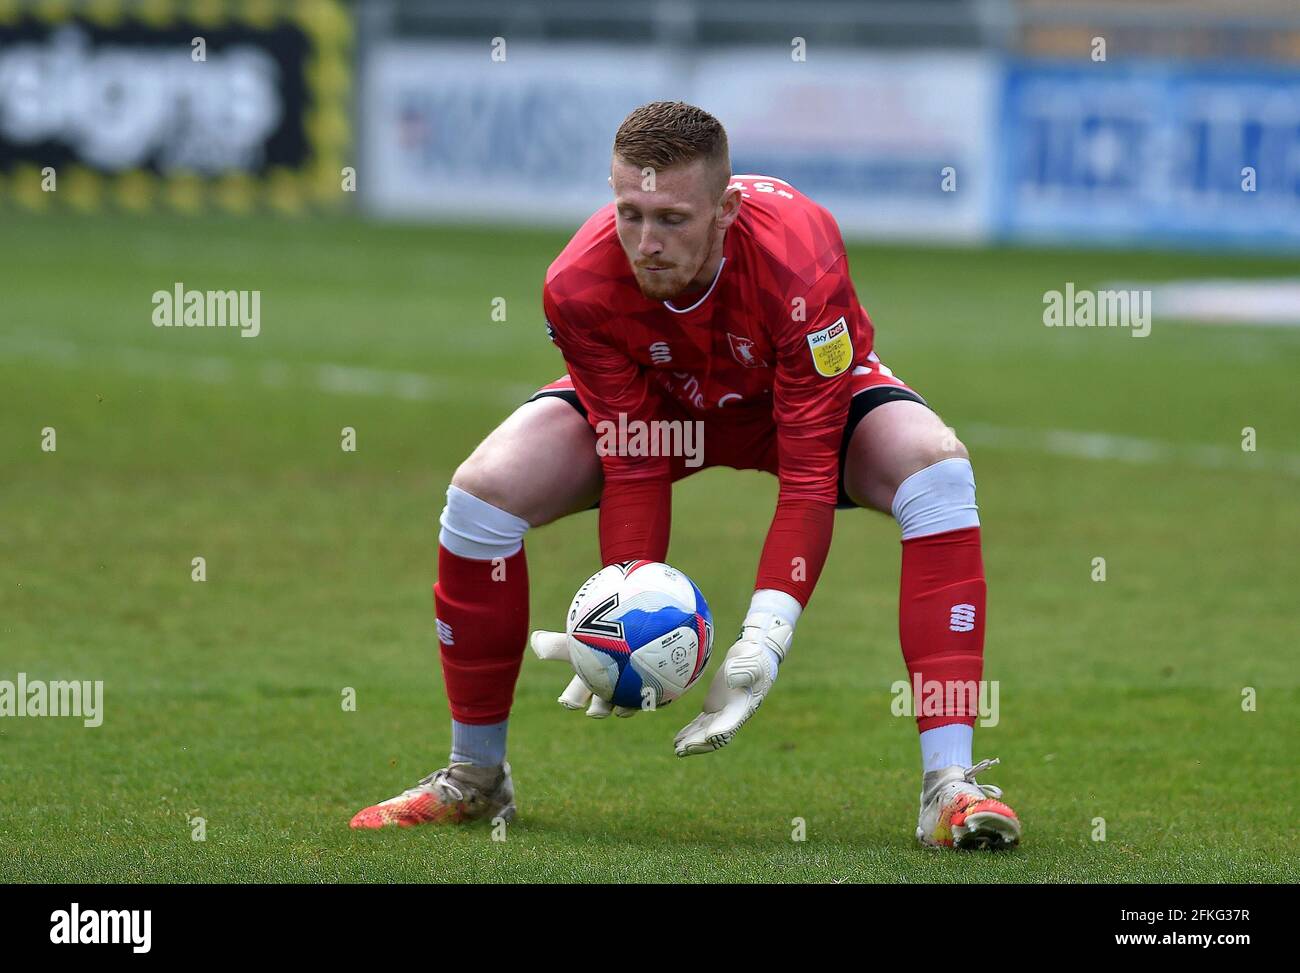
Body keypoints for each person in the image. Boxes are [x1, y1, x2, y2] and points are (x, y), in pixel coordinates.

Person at [350, 101, 1020, 850]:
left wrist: (764, 639)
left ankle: (949, 788)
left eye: (670, 219)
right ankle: (474, 778)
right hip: (663, 409)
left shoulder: (803, 260)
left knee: (936, 470)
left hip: (790, 406)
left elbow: (806, 473)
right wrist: (619, 608)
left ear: (726, 208)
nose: (645, 243)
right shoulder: (577, 285)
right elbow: (634, 456)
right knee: (481, 493)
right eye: (628, 214)